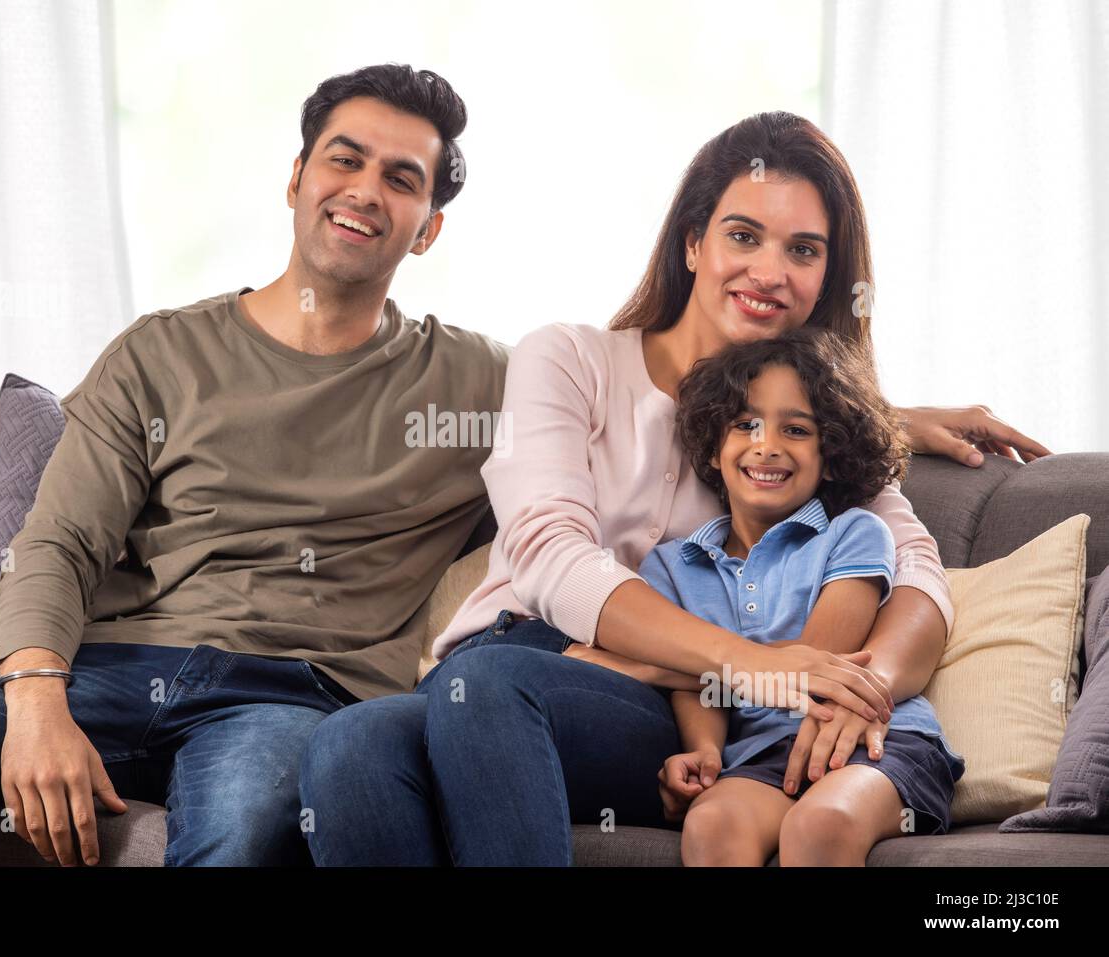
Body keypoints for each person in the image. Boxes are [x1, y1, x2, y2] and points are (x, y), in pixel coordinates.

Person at [299, 110, 1050, 866]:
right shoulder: (569, 359)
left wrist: (860, 686)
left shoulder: (814, 438)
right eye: (743, 235)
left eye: (804, 250)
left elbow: (917, 575)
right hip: (511, 655)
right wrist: (747, 660)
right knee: (347, 745)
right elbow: (548, 551)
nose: (770, 271)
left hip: (655, 709)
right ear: (693, 242)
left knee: (492, 691)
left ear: (828, 276)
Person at [0, 64, 509, 866]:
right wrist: (36, 699)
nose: (363, 190)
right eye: (343, 159)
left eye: (401, 178)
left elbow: (625, 431)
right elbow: (59, 542)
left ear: (428, 228)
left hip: (294, 696)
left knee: (242, 834)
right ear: (297, 179)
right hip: (104, 667)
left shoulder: (480, 384)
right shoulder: (162, 352)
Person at [646, 326, 965, 866]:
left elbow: (816, 666)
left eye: (795, 429)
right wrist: (702, 749)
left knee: (820, 824)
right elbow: (698, 682)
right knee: (712, 826)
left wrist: (723, 670)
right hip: (760, 755)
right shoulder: (672, 565)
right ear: (713, 444)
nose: (766, 444)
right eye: (744, 424)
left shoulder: (855, 532)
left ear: (831, 453)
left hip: (873, 742)